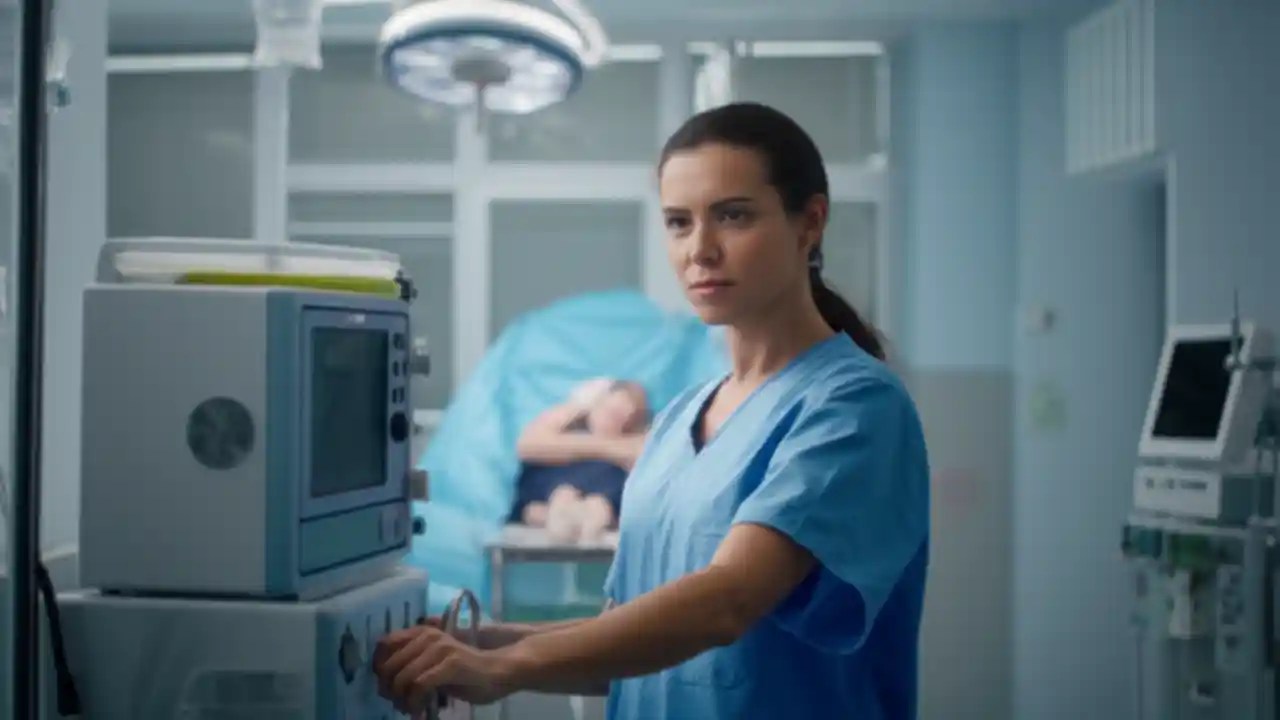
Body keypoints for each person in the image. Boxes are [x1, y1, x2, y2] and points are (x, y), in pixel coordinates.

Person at [373, 101, 931, 720]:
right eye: (678, 222)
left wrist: (501, 670)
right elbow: (624, 631)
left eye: (734, 216)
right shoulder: (677, 421)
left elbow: (726, 601)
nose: (701, 250)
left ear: (810, 223)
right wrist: (478, 642)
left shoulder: (853, 406)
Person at [511, 378, 650, 543]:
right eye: (609, 411)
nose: (610, 420)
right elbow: (526, 446)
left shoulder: (632, 446)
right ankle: (561, 510)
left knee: (598, 498)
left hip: (602, 498)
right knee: (563, 494)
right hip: (554, 491)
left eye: (620, 418)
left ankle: (586, 513)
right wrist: (577, 407)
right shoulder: (567, 423)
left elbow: (641, 457)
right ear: (596, 403)